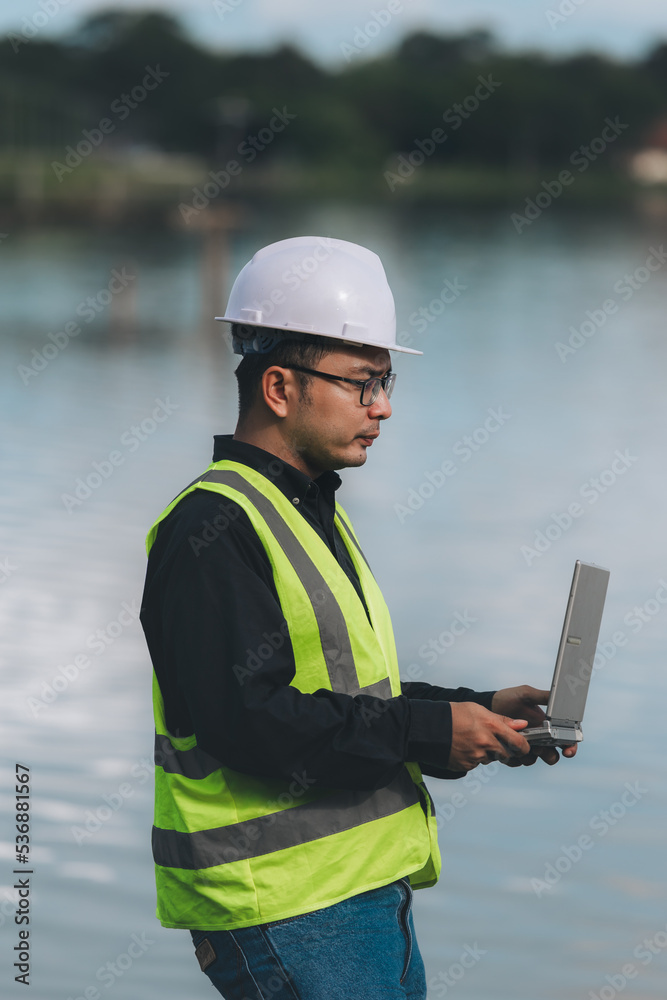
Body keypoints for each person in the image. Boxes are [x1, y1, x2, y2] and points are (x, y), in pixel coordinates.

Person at [140, 236, 576, 1000]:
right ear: (279, 387)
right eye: (361, 383)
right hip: (283, 906)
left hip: (357, 897)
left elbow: (335, 686)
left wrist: (464, 709)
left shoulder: (304, 511)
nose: (383, 405)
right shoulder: (210, 530)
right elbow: (247, 720)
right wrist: (429, 732)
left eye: (385, 380)